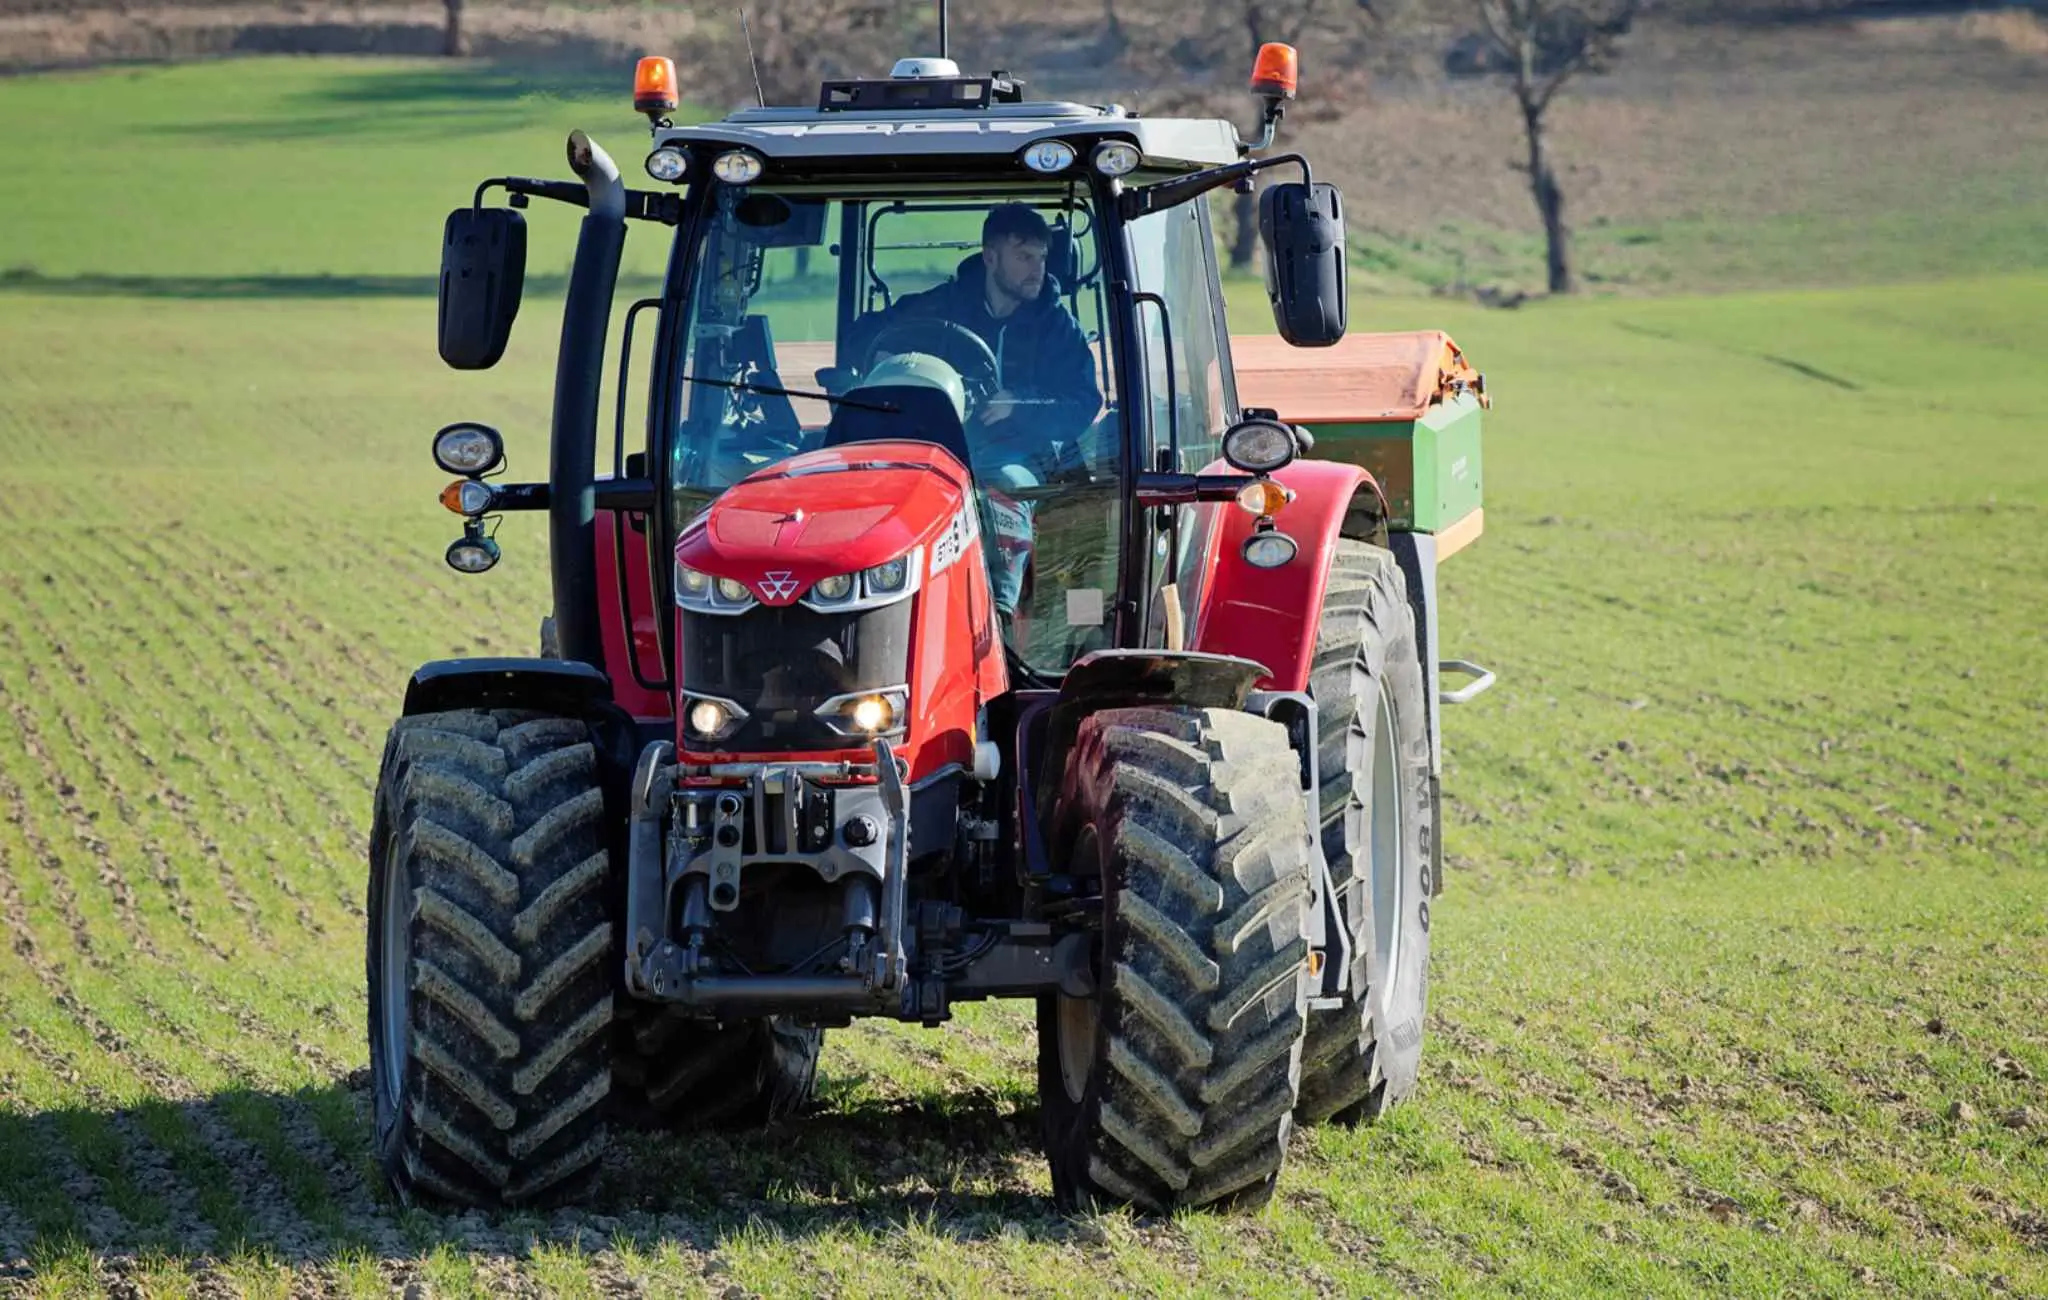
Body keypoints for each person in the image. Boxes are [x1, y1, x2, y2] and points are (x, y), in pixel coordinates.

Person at [851, 203, 1104, 482]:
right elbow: (863, 334)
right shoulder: (942, 304)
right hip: (933, 448)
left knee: (1004, 484)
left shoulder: (1059, 328)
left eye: (1041, 257)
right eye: (1024, 257)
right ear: (990, 257)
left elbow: (1083, 403)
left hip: (1024, 456)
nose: (1037, 270)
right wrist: (882, 356)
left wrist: (1018, 404)